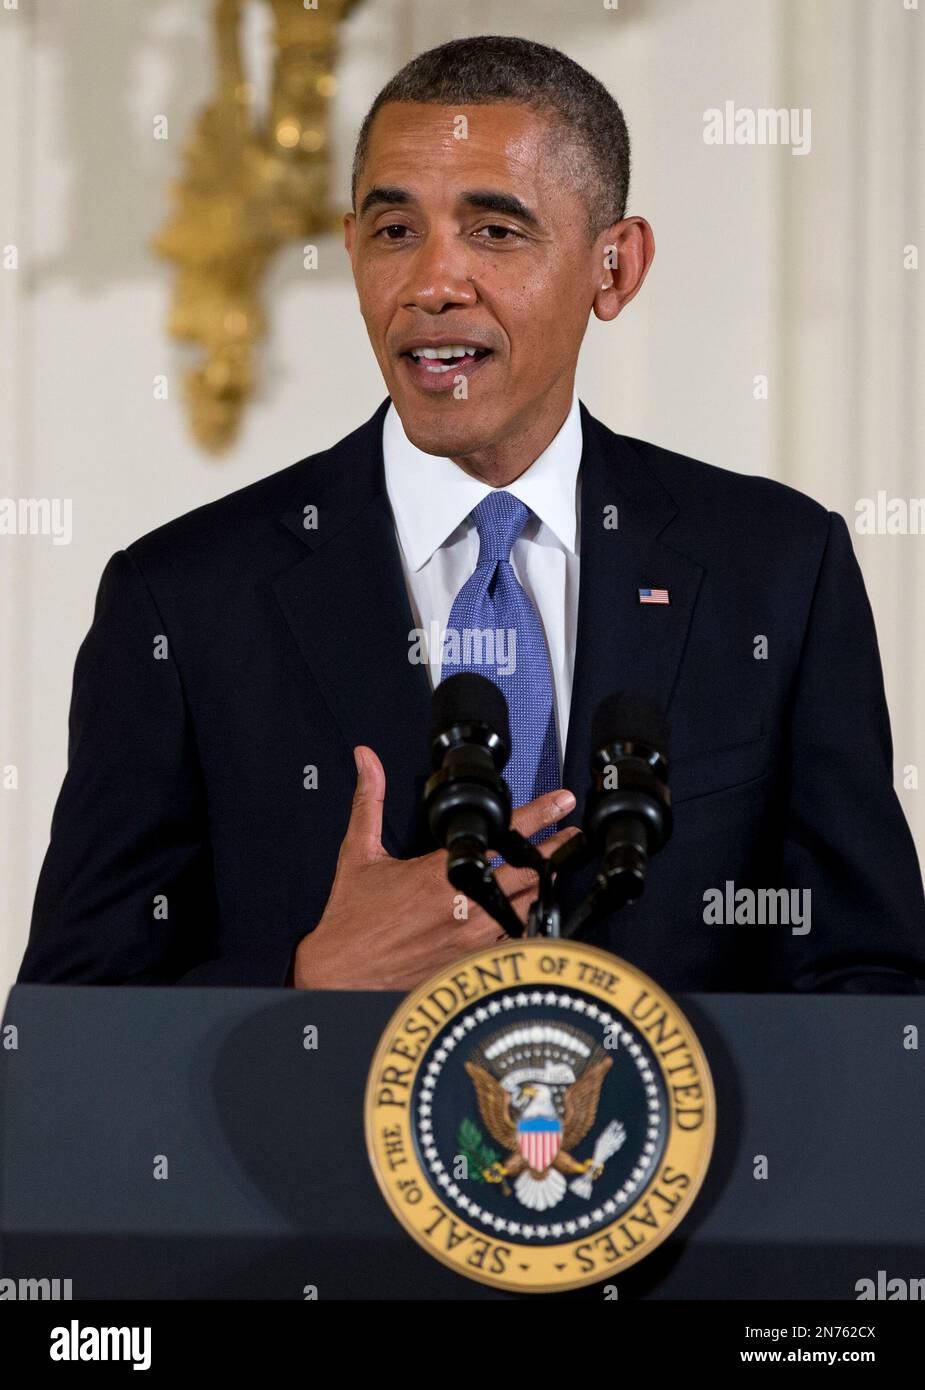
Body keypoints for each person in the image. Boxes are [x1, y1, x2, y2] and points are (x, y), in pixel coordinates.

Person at [18, 35, 925, 993]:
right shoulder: (183, 598)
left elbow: (873, 989)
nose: (430, 285)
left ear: (614, 267)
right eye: (393, 231)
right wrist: (310, 979)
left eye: (494, 231)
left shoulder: (776, 570)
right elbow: (70, 1028)